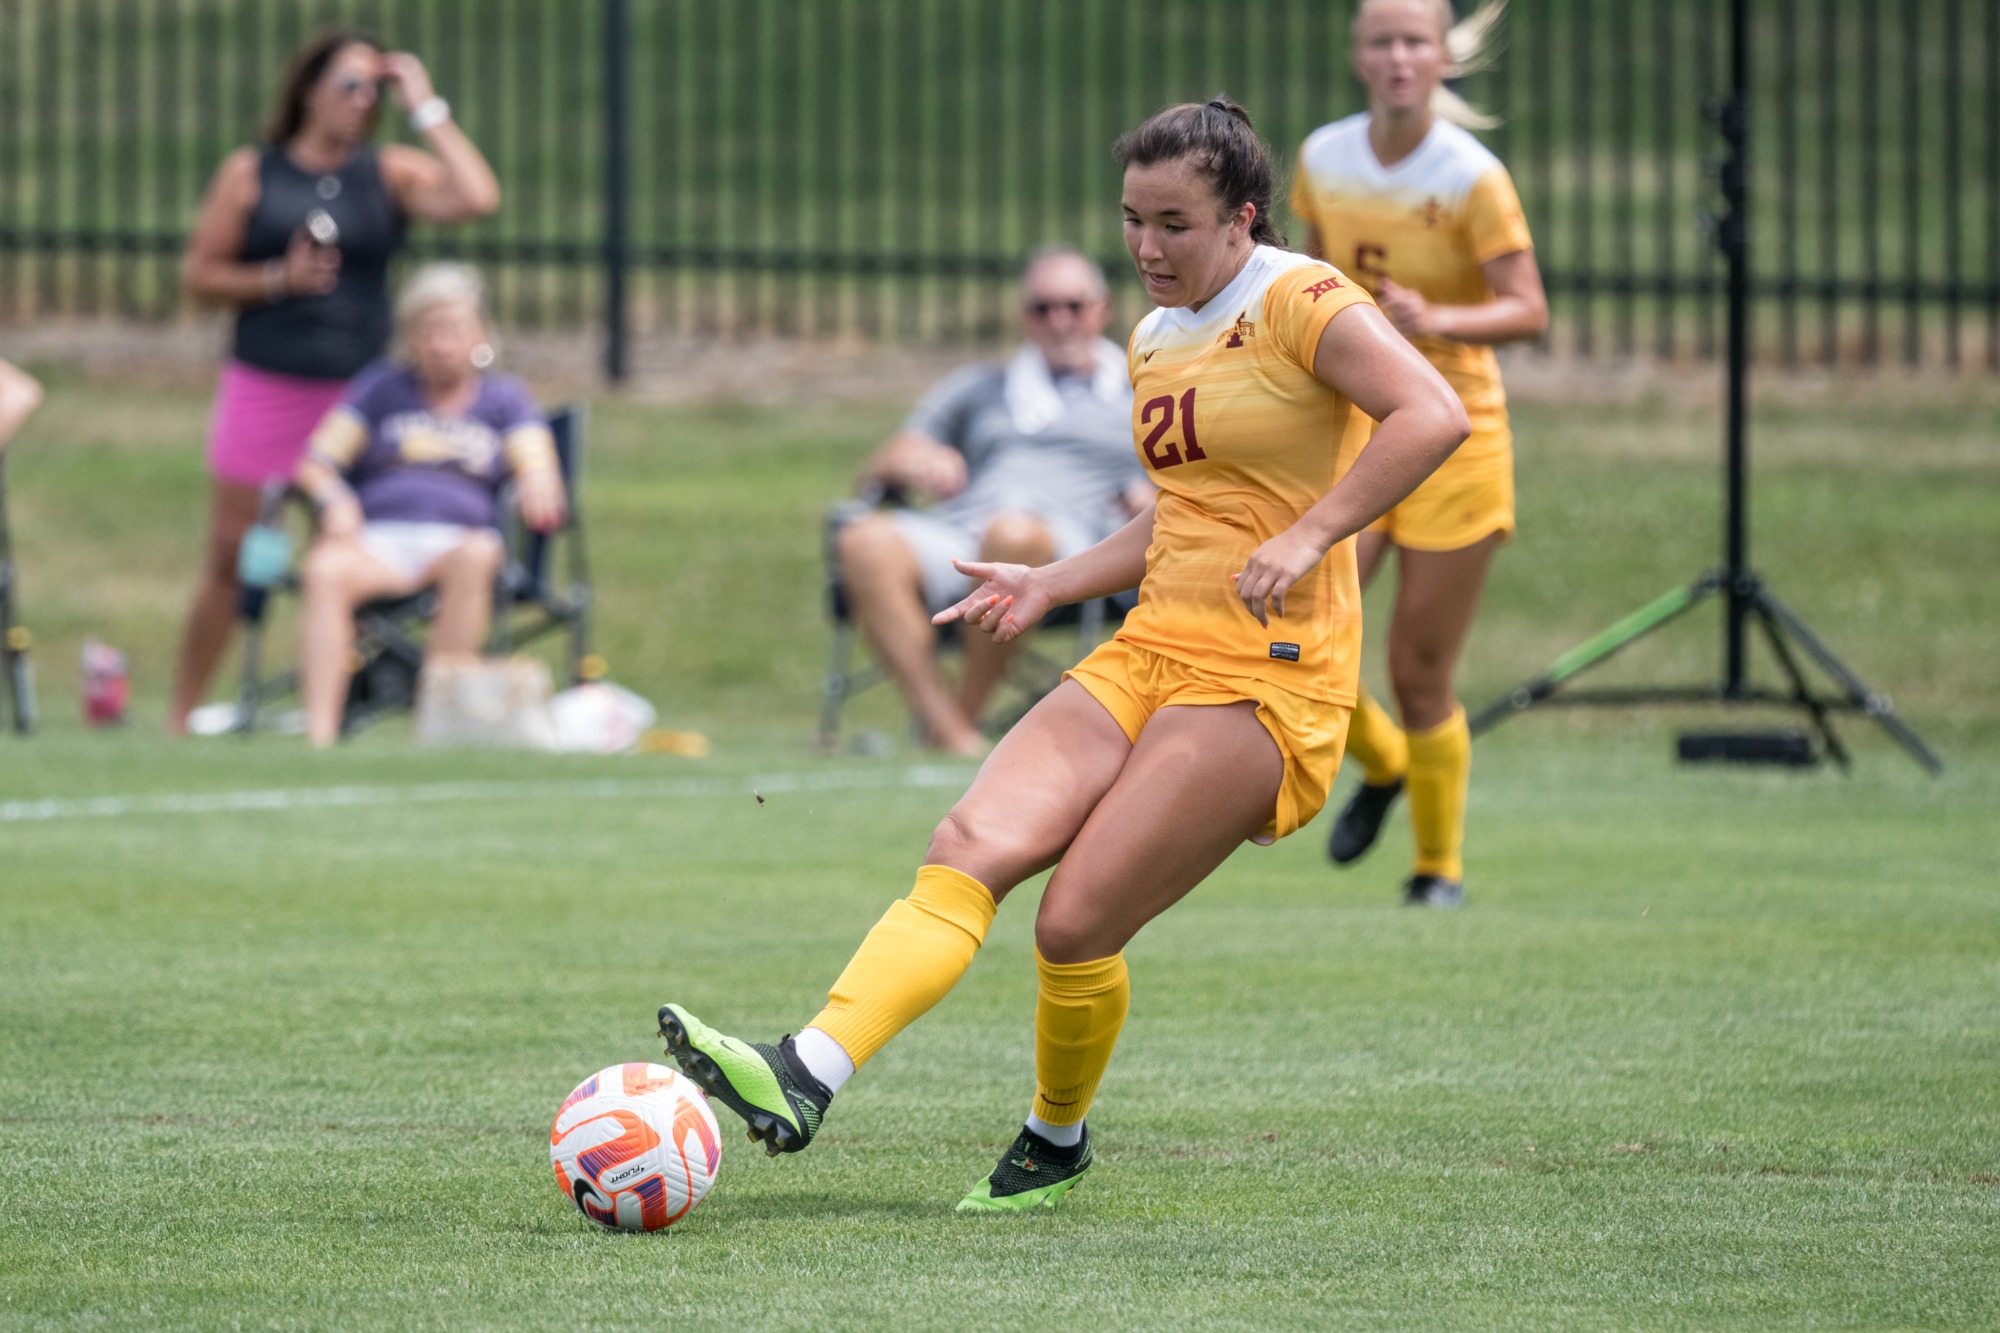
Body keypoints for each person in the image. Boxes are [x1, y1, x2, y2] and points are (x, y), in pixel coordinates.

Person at [654, 98, 1468, 1211]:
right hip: (1149, 647)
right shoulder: (1148, 335)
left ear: (1241, 217)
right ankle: (803, 1073)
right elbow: (1176, 518)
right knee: (969, 839)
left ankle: (1055, 1135)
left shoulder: (1300, 298)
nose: (1144, 247)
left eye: (1172, 222)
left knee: (1073, 919)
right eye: (1131, 220)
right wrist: (1049, 580)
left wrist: (1312, 530)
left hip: (1265, 675)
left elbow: (1429, 413)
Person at [169, 30, 501, 735]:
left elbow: (476, 197)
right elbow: (199, 275)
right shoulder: (253, 173)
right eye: (348, 84)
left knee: (343, 555)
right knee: (232, 555)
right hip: (267, 388)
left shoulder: (386, 173)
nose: (361, 102)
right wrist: (275, 280)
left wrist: (426, 104)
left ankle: (336, 713)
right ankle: (181, 712)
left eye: (373, 90)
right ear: (309, 88)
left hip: (355, 402)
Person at [1291, 0, 1546, 907]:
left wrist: (1438, 318)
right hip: (1360, 426)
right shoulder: (1324, 155)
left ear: (1443, 58)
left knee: (1416, 668)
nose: (1399, 58)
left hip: (1456, 436)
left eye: (1415, 42)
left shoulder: (1471, 175)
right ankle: (1387, 761)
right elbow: (1309, 282)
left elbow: (1528, 309)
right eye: (1382, 42)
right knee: (1302, 624)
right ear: (1358, 56)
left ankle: (1438, 870)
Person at [837, 247, 1150, 756]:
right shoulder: (982, 386)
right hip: (964, 528)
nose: (1059, 321)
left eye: (1073, 306)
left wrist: (1149, 495)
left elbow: (1188, 483)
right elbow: (882, 461)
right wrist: (917, 459)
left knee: (1014, 535)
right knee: (862, 540)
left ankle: (963, 717)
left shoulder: (1140, 392)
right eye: (1042, 308)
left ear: (1102, 310)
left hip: (1072, 540)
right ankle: (949, 730)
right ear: (1025, 315)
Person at [291, 264, 565, 748]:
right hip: (379, 543)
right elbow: (315, 463)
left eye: (454, 330)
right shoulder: (381, 389)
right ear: (409, 337)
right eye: (428, 331)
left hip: (459, 545)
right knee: (324, 570)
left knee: (479, 554)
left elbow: (536, 458)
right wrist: (334, 499)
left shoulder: (505, 398)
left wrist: (538, 475)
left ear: (482, 334)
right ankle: (320, 735)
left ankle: (433, 727)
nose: (441, 344)